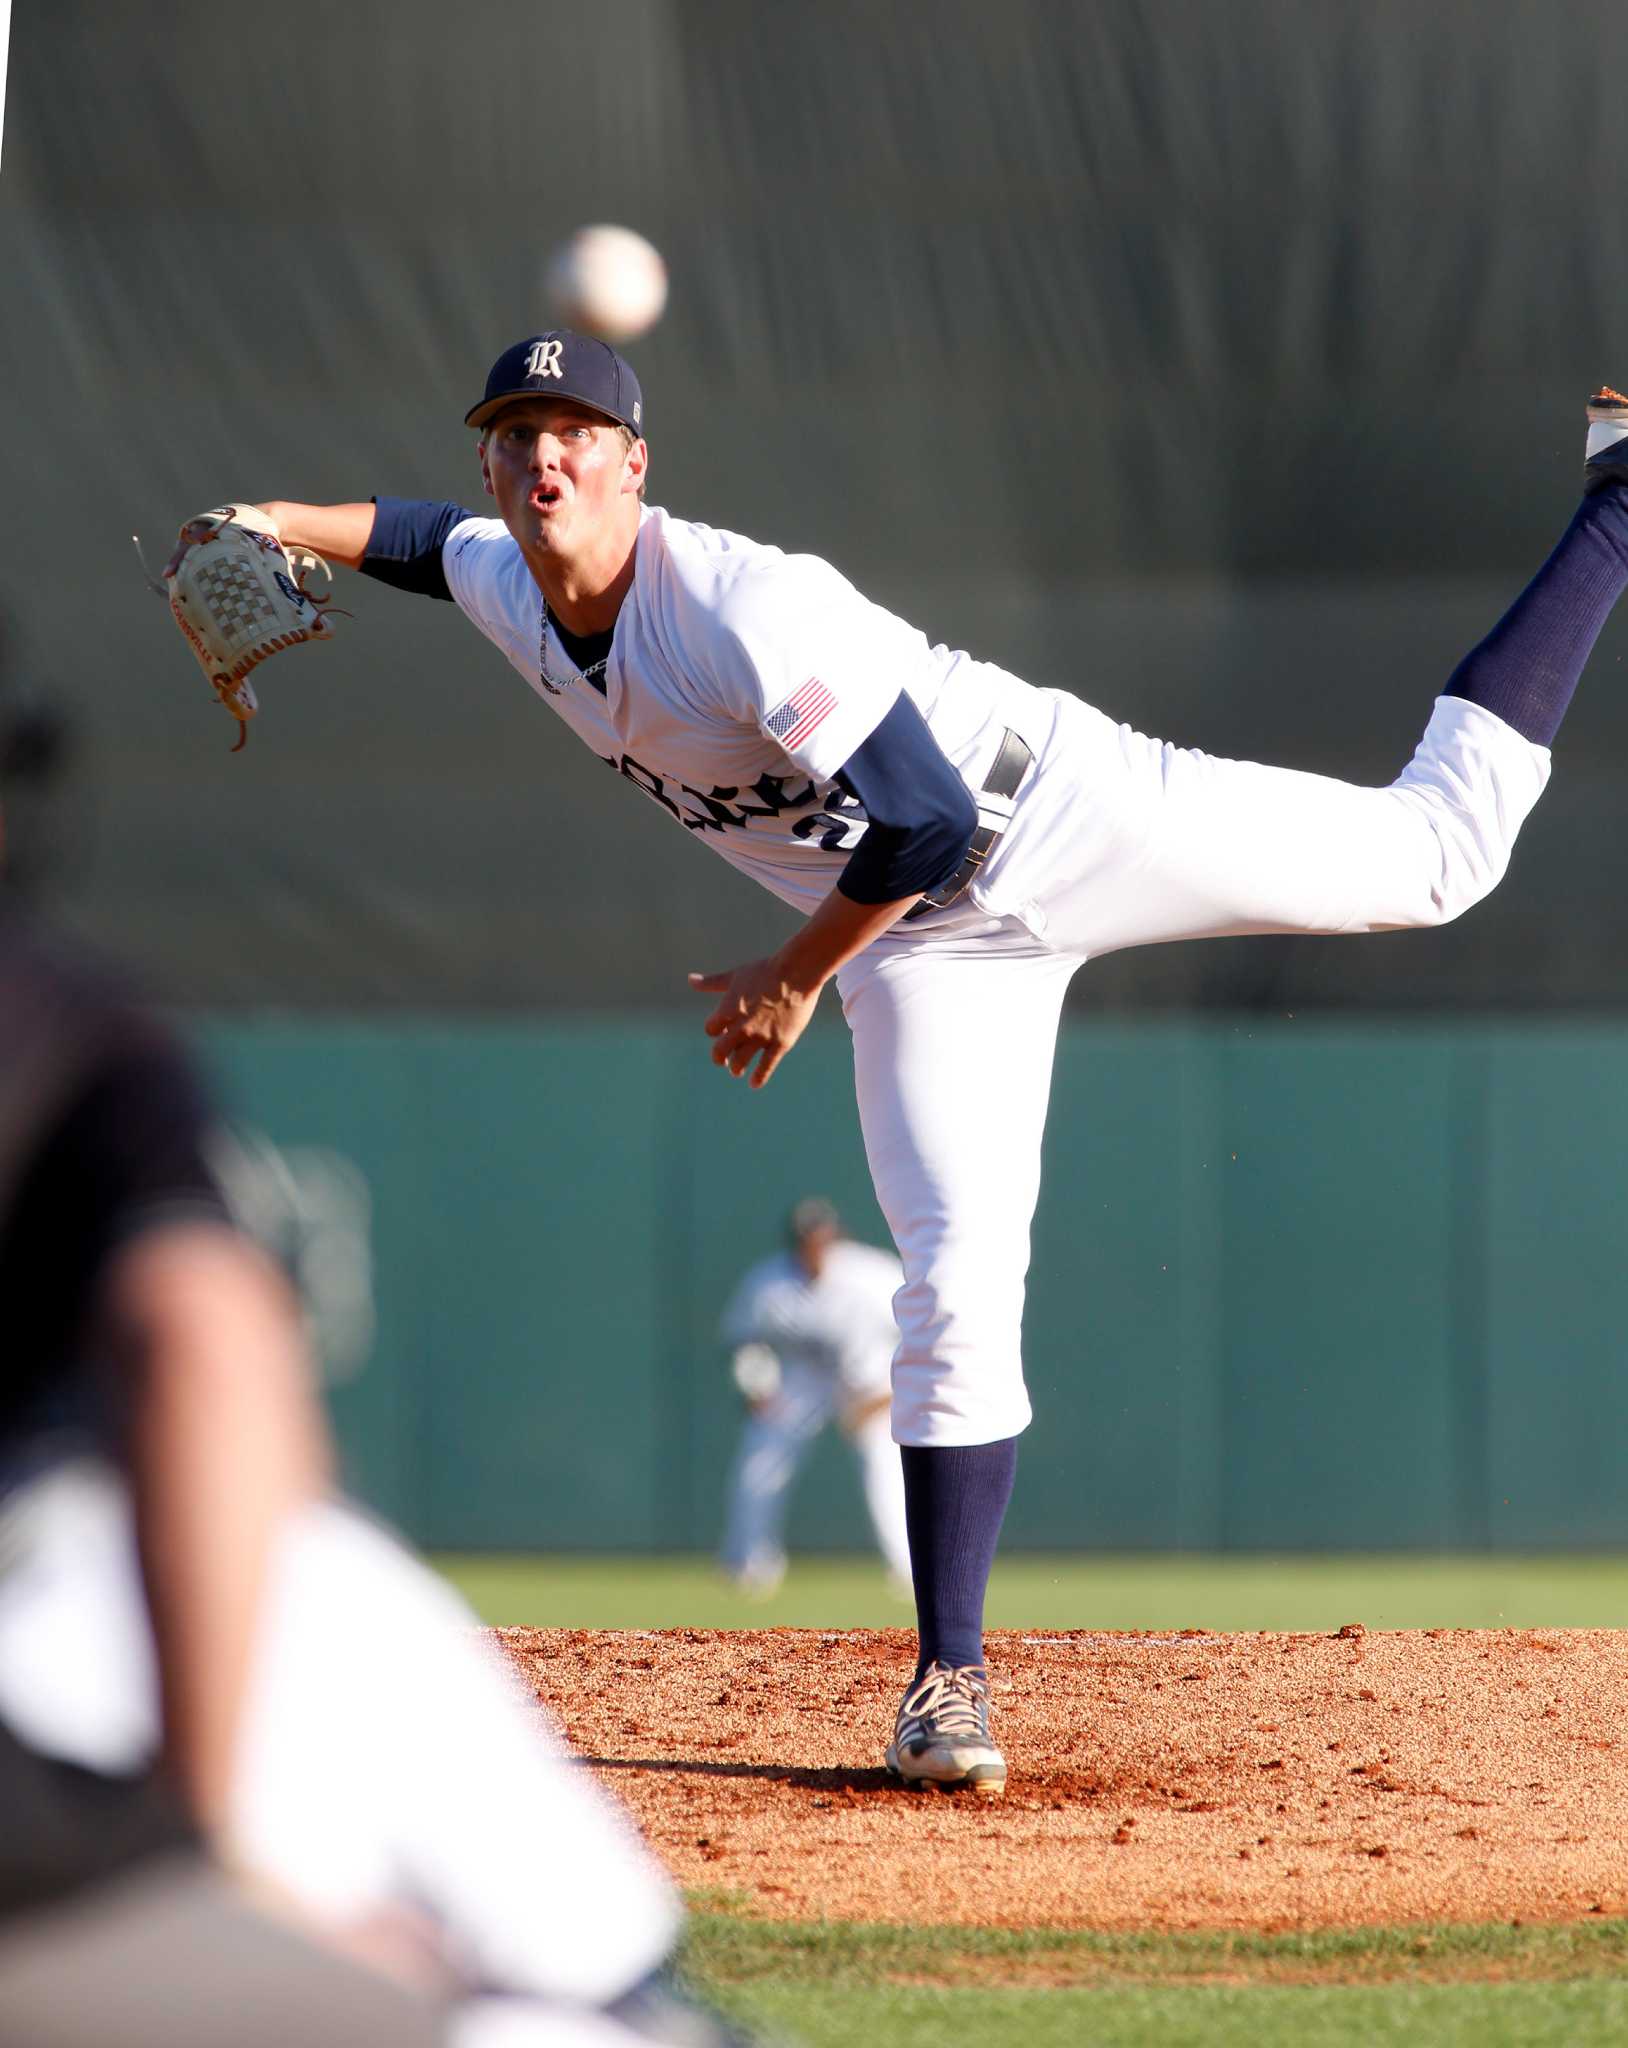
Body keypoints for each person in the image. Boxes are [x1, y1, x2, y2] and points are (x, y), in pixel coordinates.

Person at [220, 339, 1628, 1799]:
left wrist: (791, 976)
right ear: (494, 466)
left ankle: (1616, 508)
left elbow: (926, 819)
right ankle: (946, 1679)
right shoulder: (509, 584)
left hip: (1051, 818)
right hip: (925, 951)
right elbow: (411, 538)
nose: (545, 458)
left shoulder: (735, 606)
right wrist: (271, 522)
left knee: (1437, 861)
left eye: (577, 431)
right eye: (518, 435)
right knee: (953, 1276)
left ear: (638, 464)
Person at [0, 656, 735, 2040]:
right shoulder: (53, 1019)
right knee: (327, 1602)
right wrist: (206, 1856)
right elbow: (205, 1339)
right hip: (50, 1782)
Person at [719, 1197, 911, 1598]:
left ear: (836, 1238)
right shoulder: (768, 1283)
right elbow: (745, 1341)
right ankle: (751, 1565)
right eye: (808, 1240)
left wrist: (891, 1392)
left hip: (867, 1382)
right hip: (800, 1384)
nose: (816, 1248)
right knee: (759, 1467)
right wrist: (756, 1388)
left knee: (885, 1473)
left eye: (823, 1239)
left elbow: (917, 1334)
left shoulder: (872, 1274)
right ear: (796, 1243)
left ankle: (909, 1570)